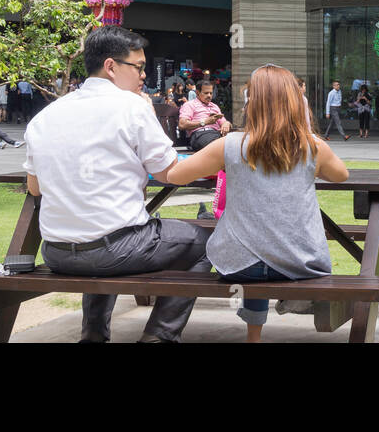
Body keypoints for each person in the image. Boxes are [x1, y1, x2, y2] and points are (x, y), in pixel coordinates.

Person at [27, 26, 211, 343]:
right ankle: (159, 336)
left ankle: (94, 335)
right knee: (206, 239)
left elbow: (34, 188)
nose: (143, 75)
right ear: (112, 66)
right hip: (115, 250)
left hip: (56, 251)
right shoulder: (132, 107)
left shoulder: (47, 115)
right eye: (138, 67)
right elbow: (169, 172)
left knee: (104, 231)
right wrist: (218, 156)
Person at [165, 64, 347, 342]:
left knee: (246, 245)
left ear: (252, 102)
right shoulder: (312, 146)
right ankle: (295, 297)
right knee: (267, 246)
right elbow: (341, 175)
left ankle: (253, 336)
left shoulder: (230, 145)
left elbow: (176, 175)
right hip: (303, 262)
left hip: (240, 267)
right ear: (294, 102)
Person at [179, 79, 232, 151]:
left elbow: (223, 121)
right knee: (223, 145)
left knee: (237, 142)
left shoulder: (214, 106)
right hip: (200, 134)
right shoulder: (190, 105)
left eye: (211, 93)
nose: (209, 95)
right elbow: (182, 124)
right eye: (206, 93)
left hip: (216, 135)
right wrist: (204, 122)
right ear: (197, 93)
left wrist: (226, 124)